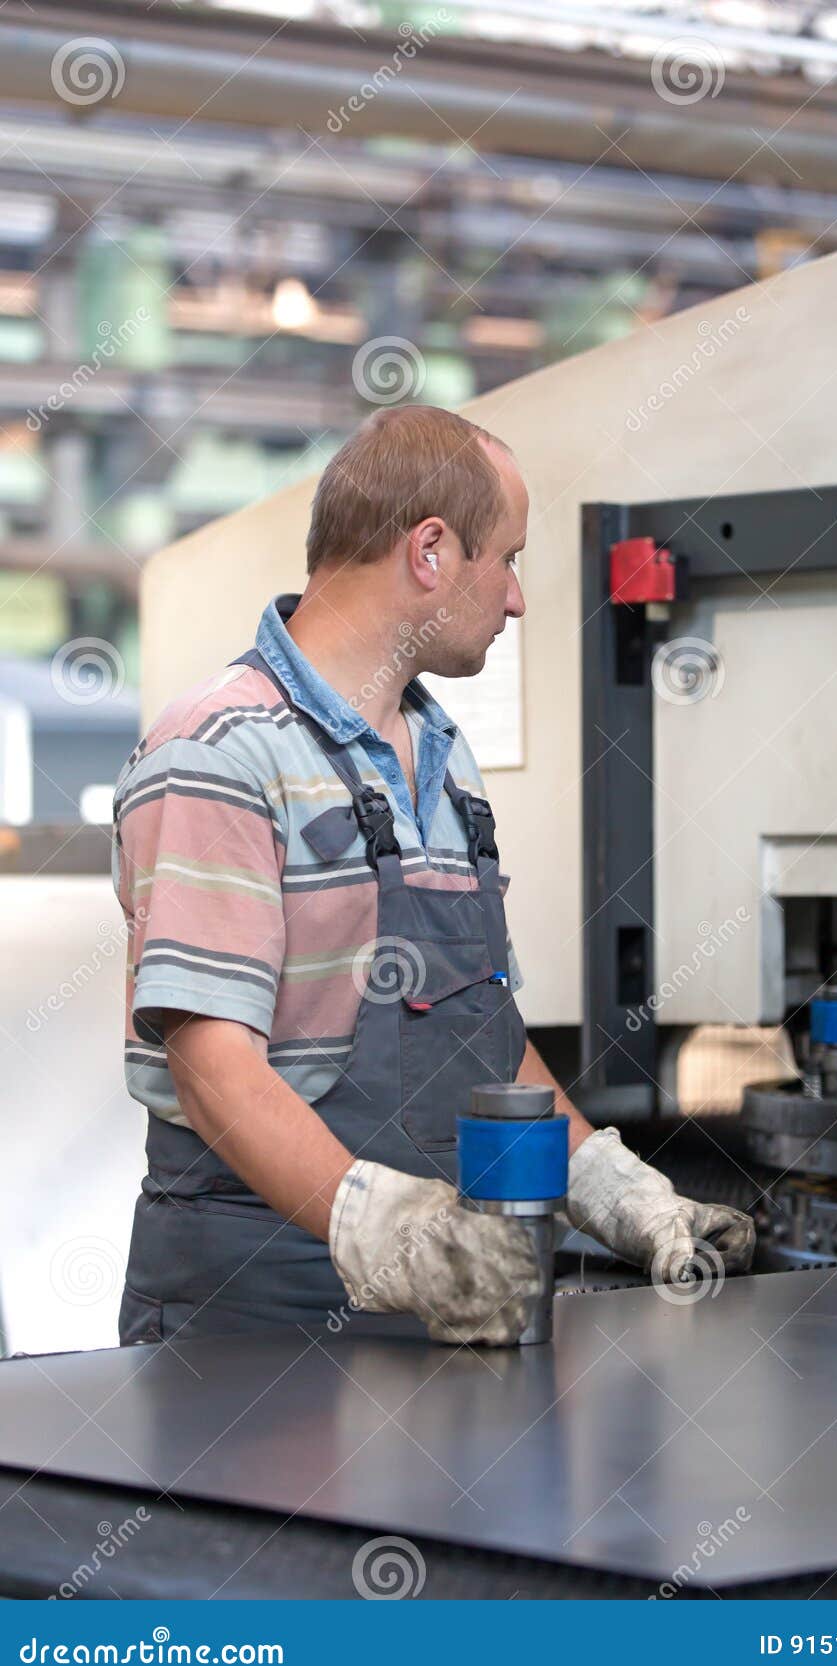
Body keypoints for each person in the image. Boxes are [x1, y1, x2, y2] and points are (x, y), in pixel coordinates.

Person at [113, 404, 754, 1347]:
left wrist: (609, 1188)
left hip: (438, 1303)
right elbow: (211, 1069)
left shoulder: (447, 764)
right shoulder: (216, 751)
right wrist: (390, 1236)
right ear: (429, 551)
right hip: (251, 1316)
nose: (517, 598)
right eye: (507, 559)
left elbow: (485, 1040)